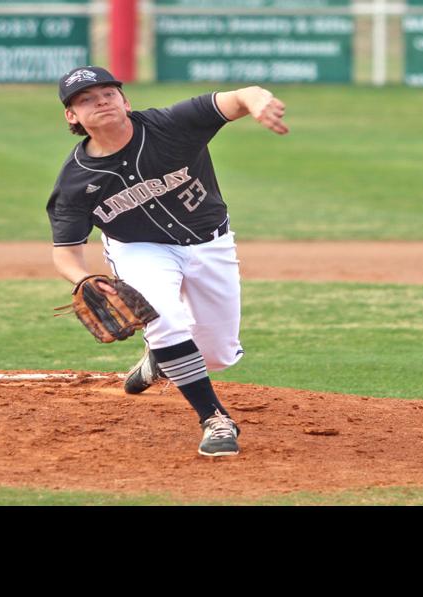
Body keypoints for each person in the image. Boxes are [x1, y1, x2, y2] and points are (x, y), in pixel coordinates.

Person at [46, 66, 288, 457]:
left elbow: (241, 95)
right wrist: (83, 278)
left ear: (125, 101)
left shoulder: (170, 125)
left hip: (211, 243)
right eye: (86, 99)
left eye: (108, 93)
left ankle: (160, 359)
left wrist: (259, 103)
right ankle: (215, 418)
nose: (101, 101)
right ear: (72, 116)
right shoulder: (76, 181)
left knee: (217, 355)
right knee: (165, 318)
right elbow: (65, 252)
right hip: (140, 249)